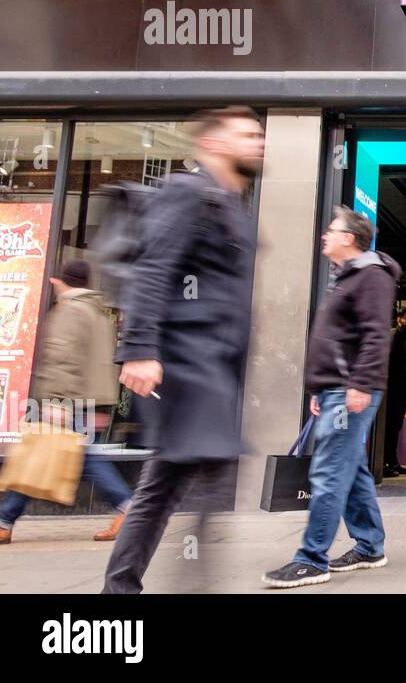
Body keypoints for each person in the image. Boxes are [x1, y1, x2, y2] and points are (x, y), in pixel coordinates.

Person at [102, 107, 264, 594]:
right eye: (247, 135)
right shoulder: (187, 192)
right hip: (187, 368)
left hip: (211, 370)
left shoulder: (229, 202)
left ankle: (120, 589)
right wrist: (139, 349)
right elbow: (154, 271)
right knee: (204, 485)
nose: (258, 142)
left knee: (164, 488)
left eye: (260, 135)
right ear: (213, 144)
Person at [263, 206, 401, 588]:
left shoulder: (372, 276)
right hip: (335, 389)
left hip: (349, 389)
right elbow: (338, 339)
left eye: (332, 230)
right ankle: (370, 545)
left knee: (327, 471)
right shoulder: (346, 278)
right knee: (351, 468)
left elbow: (375, 335)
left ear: (349, 239)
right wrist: (319, 390)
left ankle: (311, 559)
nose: (325, 235)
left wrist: (357, 384)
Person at [0, 260, 131, 544]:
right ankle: (3, 521)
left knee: (41, 458)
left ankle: (3, 521)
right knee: (53, 458)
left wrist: (55, 402)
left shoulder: (70, 310)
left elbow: (62, 358)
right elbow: (106, 363)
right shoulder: (98, 312)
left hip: (66, 401)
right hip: (86, 401)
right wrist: (102, 405)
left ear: (59, 281)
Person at [382, 308, 406, 478]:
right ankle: (383, 463)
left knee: (395, 427)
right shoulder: (394, 338)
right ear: (399, 320)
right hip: (392, 390)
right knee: (389, 427)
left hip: (403, 391)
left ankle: (393, 461)